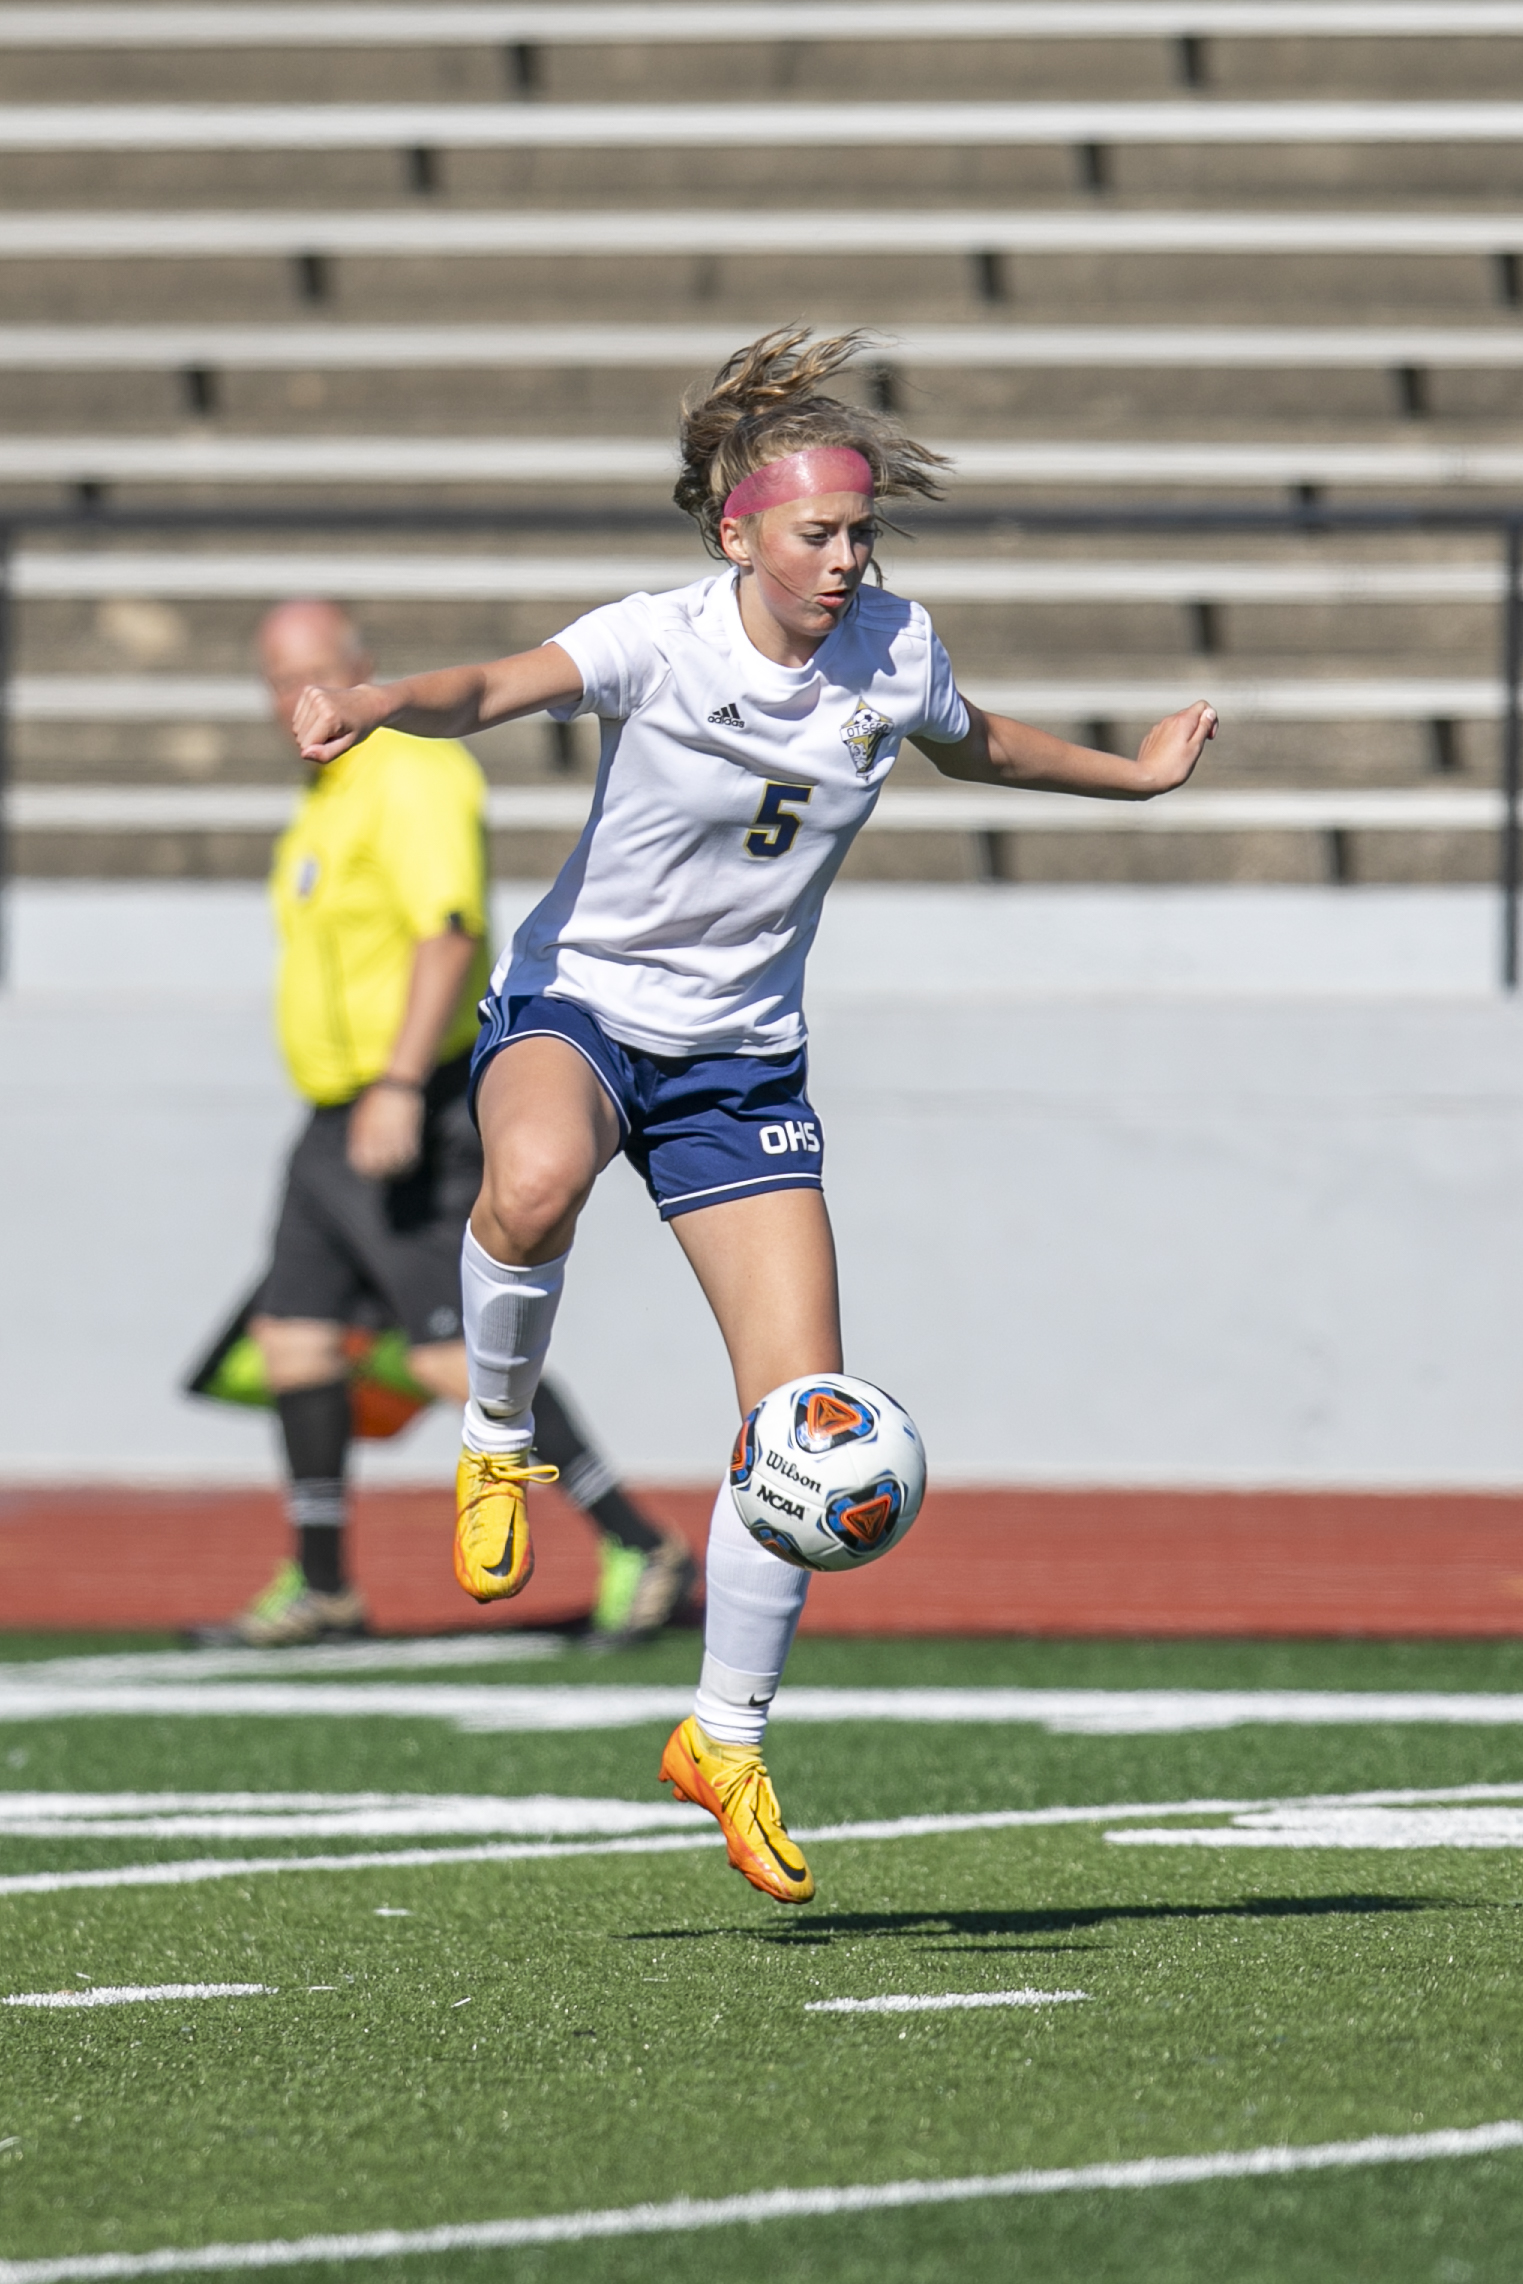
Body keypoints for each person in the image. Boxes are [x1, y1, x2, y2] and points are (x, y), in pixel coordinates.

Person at [288, 330, 1217, 1894]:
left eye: (860, 533)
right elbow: (494, 689)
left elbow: (971, 742)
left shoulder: (890, 648)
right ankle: (498, 1437)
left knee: (804, 1425)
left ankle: (722, 1736)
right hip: (582, 1006)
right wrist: (380, 697)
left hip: (740, 1064)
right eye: (817, 534)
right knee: (523, 1188)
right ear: (738, 534)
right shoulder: (660, 640)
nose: (846, 560)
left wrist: (1129, 776)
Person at [197, 598, 695, 1649]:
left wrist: (393, 1083)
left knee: (451, 1354)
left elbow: (446, 932)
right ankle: (324, 1583)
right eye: (275, 679)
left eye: (312, 673)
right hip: (332, 1118)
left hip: (403, 1102)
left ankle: (635, 1541)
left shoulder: (409, 771)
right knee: (293, 1339)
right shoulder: (323, 792)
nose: (294, 698)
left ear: (359, 667)